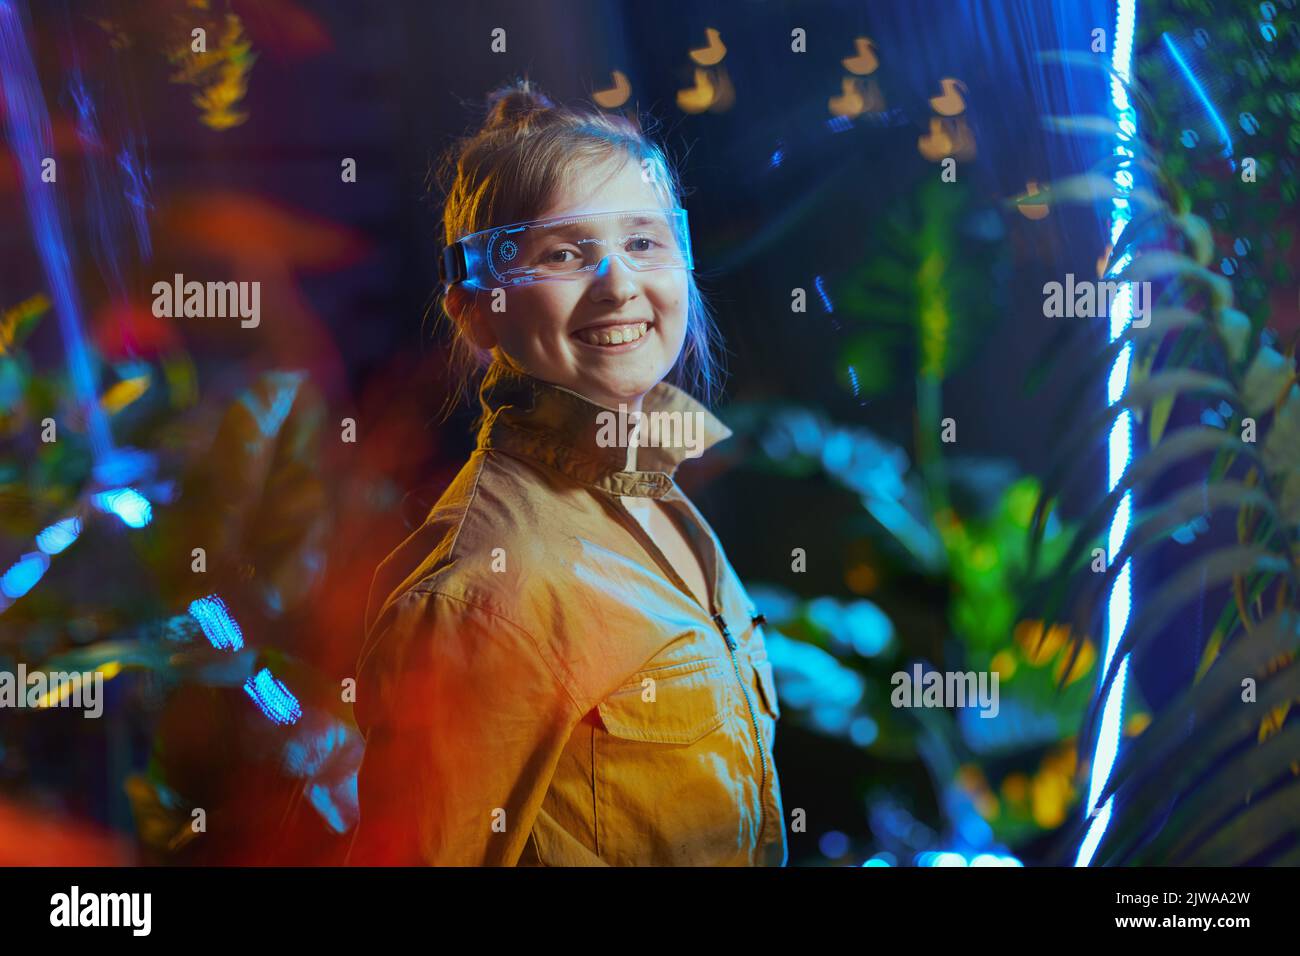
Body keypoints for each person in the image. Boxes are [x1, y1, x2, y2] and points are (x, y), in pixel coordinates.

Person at [346, 78, 786, 866]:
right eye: (564, 253)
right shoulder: (486, 594)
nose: (619, 283)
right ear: (477, 309)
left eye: (642, 242)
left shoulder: (661, 492)